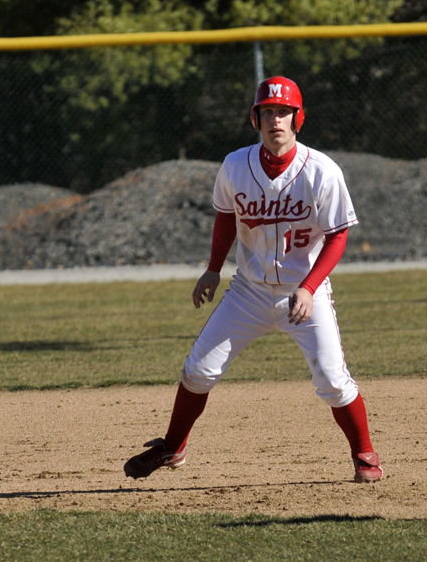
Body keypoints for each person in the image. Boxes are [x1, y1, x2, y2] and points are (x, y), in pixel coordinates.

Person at [124, 76, 383, 483]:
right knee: (197, 371)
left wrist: (310, 287)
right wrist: (213, 268)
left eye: (283, 112)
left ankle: (364, 453)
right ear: (255, 118)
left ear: (298, 118)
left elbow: (338, 236)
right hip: (249, 291)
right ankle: (173, 448)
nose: (275, 119)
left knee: (333, 380)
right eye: (267, 112)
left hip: (304, 293)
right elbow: (226, 217)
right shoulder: (234, 166)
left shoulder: (321, 171)